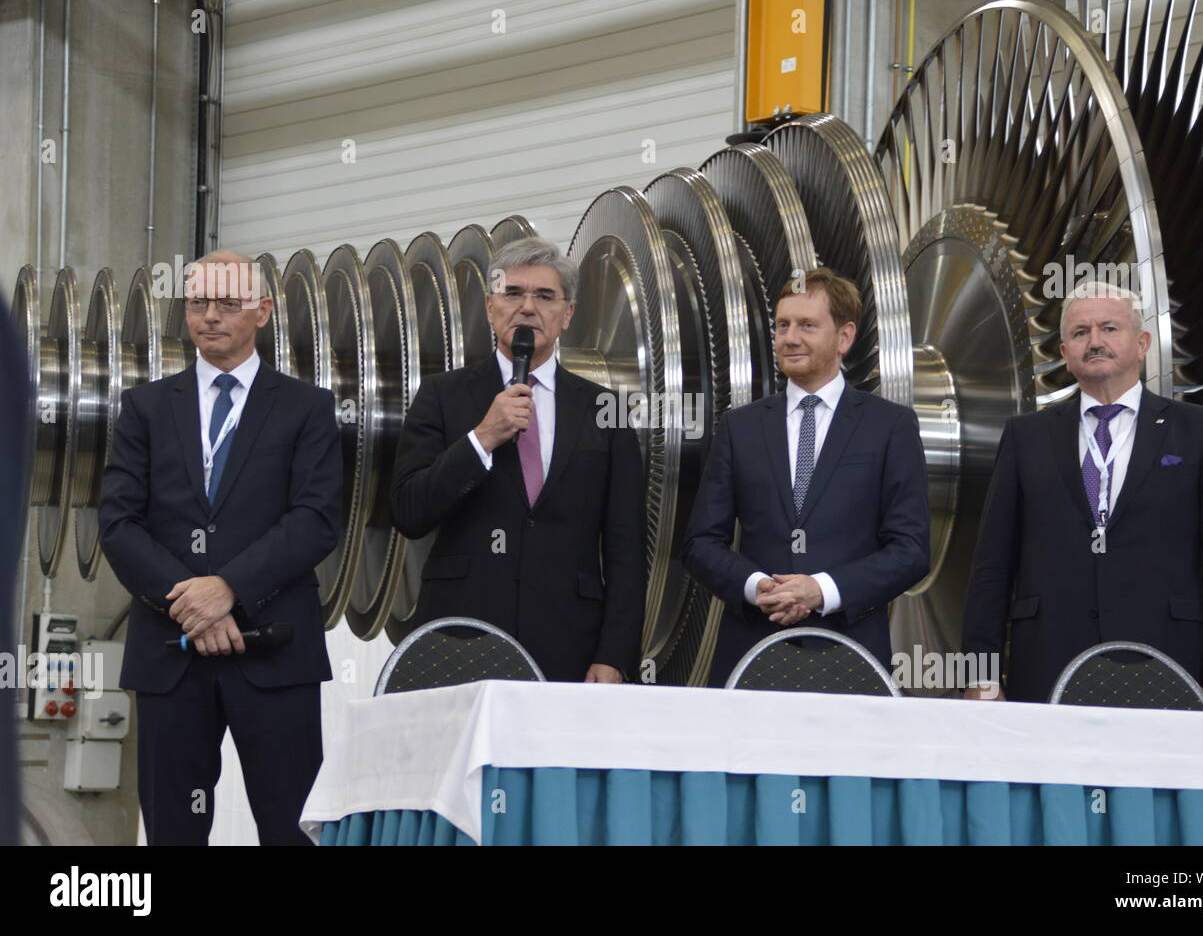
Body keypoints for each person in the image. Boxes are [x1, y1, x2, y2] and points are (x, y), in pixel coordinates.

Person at [99, 251, 342, 843]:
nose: (210, 316)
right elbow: (119, 523)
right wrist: (192, 605)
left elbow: (314, 520)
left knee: (294, 829)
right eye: (198, 303)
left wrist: (227, 591)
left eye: (228, 304)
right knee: (172, 832)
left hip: (274, 650)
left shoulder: (307, 407)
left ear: (262, 311)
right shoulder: (146, 409)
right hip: (171, 651)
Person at [961, 281, 1203, 710]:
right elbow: (991, 566)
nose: (1095, 342)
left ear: (1142, 344)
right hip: (1046, 668)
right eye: (1080, 333)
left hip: (1170, 666)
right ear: (1065, 353)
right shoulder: (1026, 436)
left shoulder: (1202, 431)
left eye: (1109, 329)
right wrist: (980, 674)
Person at [390, 237, 644, 682]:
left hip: (571, 640)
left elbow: (627, 548)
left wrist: (615, 654)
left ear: (567, 315)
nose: (527, 307)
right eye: (512, 294)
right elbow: (410, 512)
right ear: (490, 308)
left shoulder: (607, 408)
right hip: (460, 633)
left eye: (544, 296)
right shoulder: (442, 395)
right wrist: (482, 439)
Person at [682, 267, 931, 686]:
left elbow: (910, 549)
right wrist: (757, 586)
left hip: (851, 655)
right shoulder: (740, 428)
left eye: (807, 325)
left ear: (845, 337)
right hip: (750, 653)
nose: (790, 337)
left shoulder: (890, 426)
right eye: (782, 325)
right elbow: (701, 542)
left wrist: (821, 590)